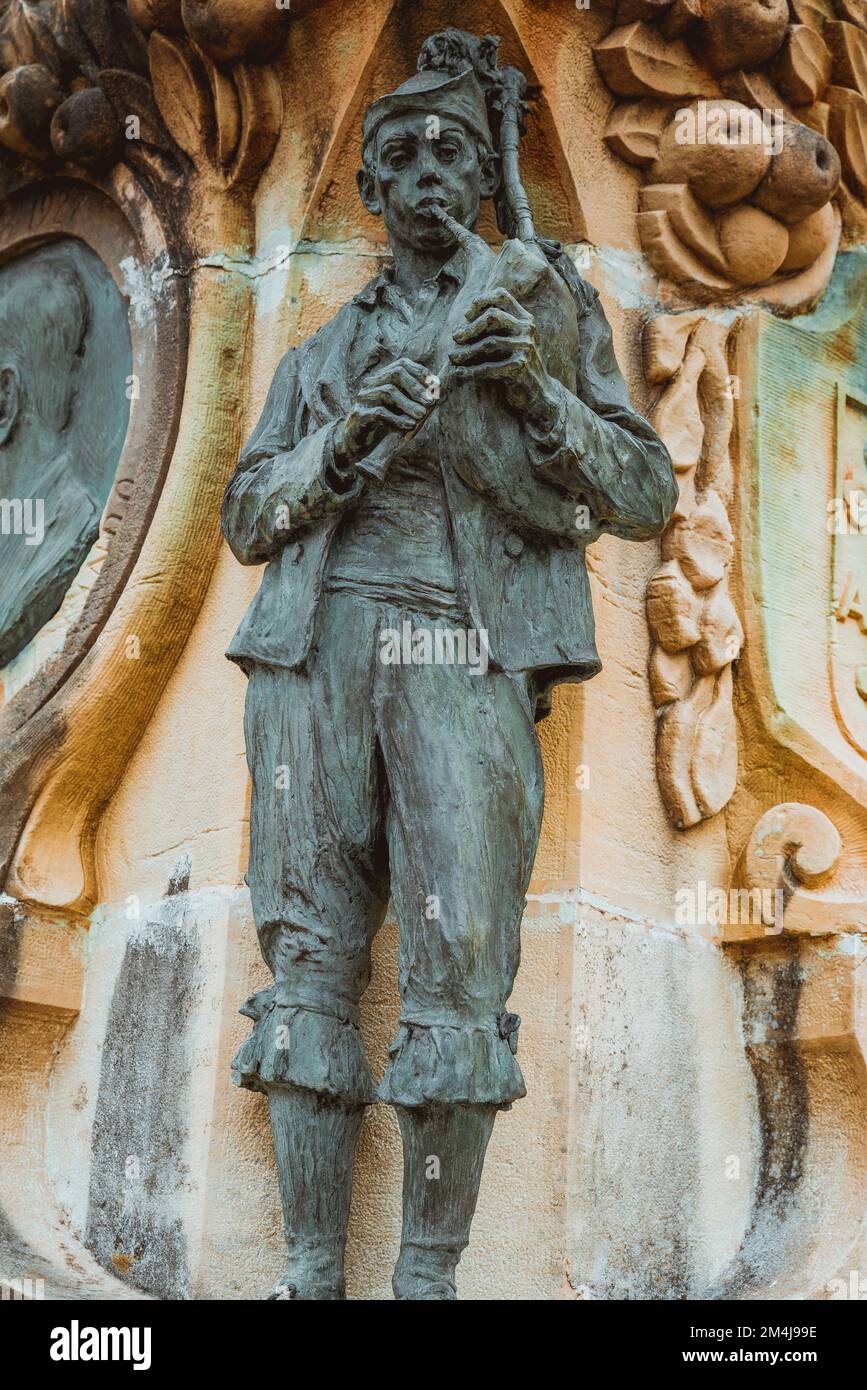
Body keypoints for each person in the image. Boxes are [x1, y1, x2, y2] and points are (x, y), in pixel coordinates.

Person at [222, 54, 677, 1300]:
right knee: (306, 957)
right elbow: (248, 515)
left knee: (460, 971)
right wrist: (346, 435)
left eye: (455, 155)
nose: (430, 173)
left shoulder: (539, 303)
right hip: (313, 661)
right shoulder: (319, 355)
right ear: (369, 184)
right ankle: (310, 1271)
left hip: (463, 657)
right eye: (405, 157)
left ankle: (428, 1277)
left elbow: (643, 492)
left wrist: (534, 387)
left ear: (489, 177)